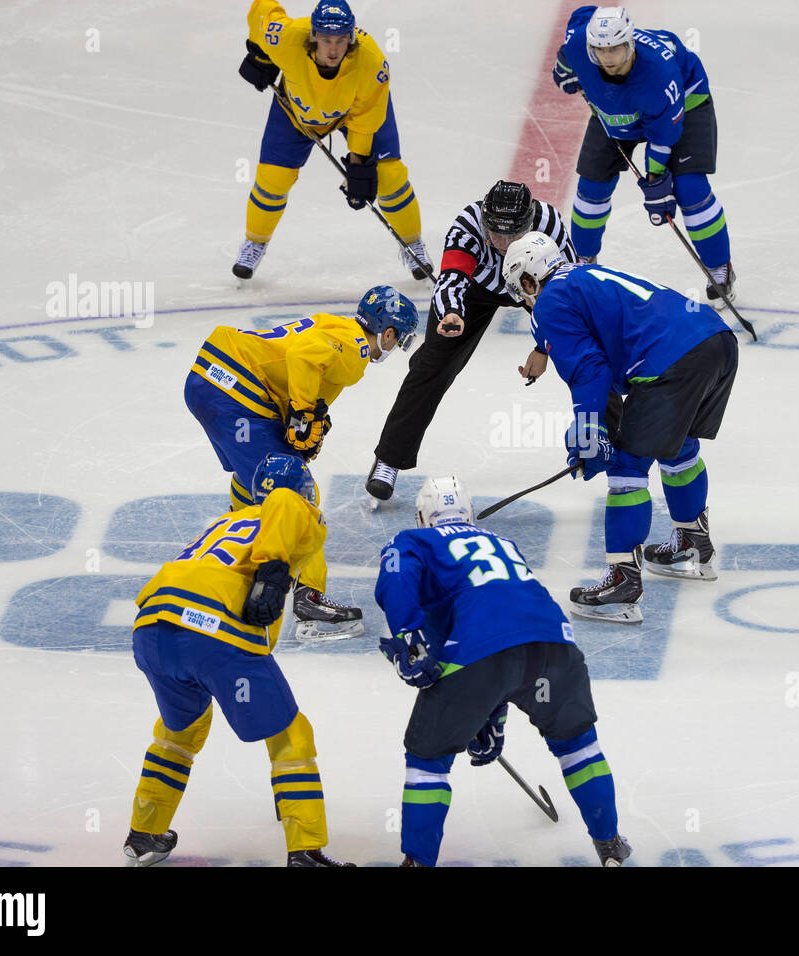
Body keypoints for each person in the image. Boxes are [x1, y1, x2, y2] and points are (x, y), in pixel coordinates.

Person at [373, 475, 632, 867]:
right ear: (471, 513)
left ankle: (418, 861)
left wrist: (408, 635)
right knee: (577, 743)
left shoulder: (412, 541)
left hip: (483, 654)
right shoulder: (503, 543)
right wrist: (490, 714)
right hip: (555, 647)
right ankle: (610, 844)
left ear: (422, 516)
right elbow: (506, 622)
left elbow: (399, 582)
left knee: (429, 758)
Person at [124, 454, 355, 867]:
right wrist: (272, 575)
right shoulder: (294, 507)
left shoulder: (224, 522)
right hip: (214, 633)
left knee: (179, 732)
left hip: (153, 628)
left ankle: (144, 833)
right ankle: (305, 849)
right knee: (290, 737)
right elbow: (284, 504)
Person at [503, 232, 737, 624]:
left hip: (670, 359)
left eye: (522, 294)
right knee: (678, 446)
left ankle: (622, 583)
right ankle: (692, 543)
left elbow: (590, 369)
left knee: (627, 467)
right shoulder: (581, 276)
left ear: (529, 281)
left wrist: (588, 432)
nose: (527, 304)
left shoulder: (550, 300)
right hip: (716, 342)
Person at [185, 285, 418, 638]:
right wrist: (302, 414)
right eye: (398, 339)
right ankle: (308, 599)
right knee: (296, 492)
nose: (395, 346)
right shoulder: (355, 350)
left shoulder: (337, 326)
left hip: (210, 380)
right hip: (235, 392)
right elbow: (304, 357)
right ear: (387, 332)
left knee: (258, 482)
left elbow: (296, 361)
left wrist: (306, 415)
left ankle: (233, 567)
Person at [364, 181, 579, 502]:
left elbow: (570, 287)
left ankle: (611, 434)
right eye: (496, 235)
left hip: (533, 281)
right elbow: (451, 277)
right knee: (433, 365)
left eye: (513, 236)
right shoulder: (468, 224)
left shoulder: (549, 224)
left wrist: (543, 345)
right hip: (477, 291)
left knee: (585, 347)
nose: (504, 244)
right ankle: (389, 459)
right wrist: (451, 312)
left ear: (530, 224)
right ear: (484, 223)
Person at [234, 0, 432, 281]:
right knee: (272, 179)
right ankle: (255, 242)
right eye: (326, 39)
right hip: (296, 112)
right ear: (313, 35)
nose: (333, 49)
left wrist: (358, 163)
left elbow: (365, 121)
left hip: (356, 114)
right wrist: (260, 52)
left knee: (388, 175)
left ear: (351, 37)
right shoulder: (287, 36)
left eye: (341, 40)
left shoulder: (371, 62)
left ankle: (412, 244)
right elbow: (262, 10)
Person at [552, 5, 736, 306]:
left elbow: (662, 136)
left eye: (616, 51)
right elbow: (581, 16)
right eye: (600, 52)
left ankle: (719, 267)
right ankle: (583, 263)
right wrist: (564, 65)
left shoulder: (660, 76)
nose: (608, 60)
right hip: (615, 108)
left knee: (690, 188)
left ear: (631, 44)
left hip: (682, 103)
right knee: (592, 187)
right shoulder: (578, 46)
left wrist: (654, 181)